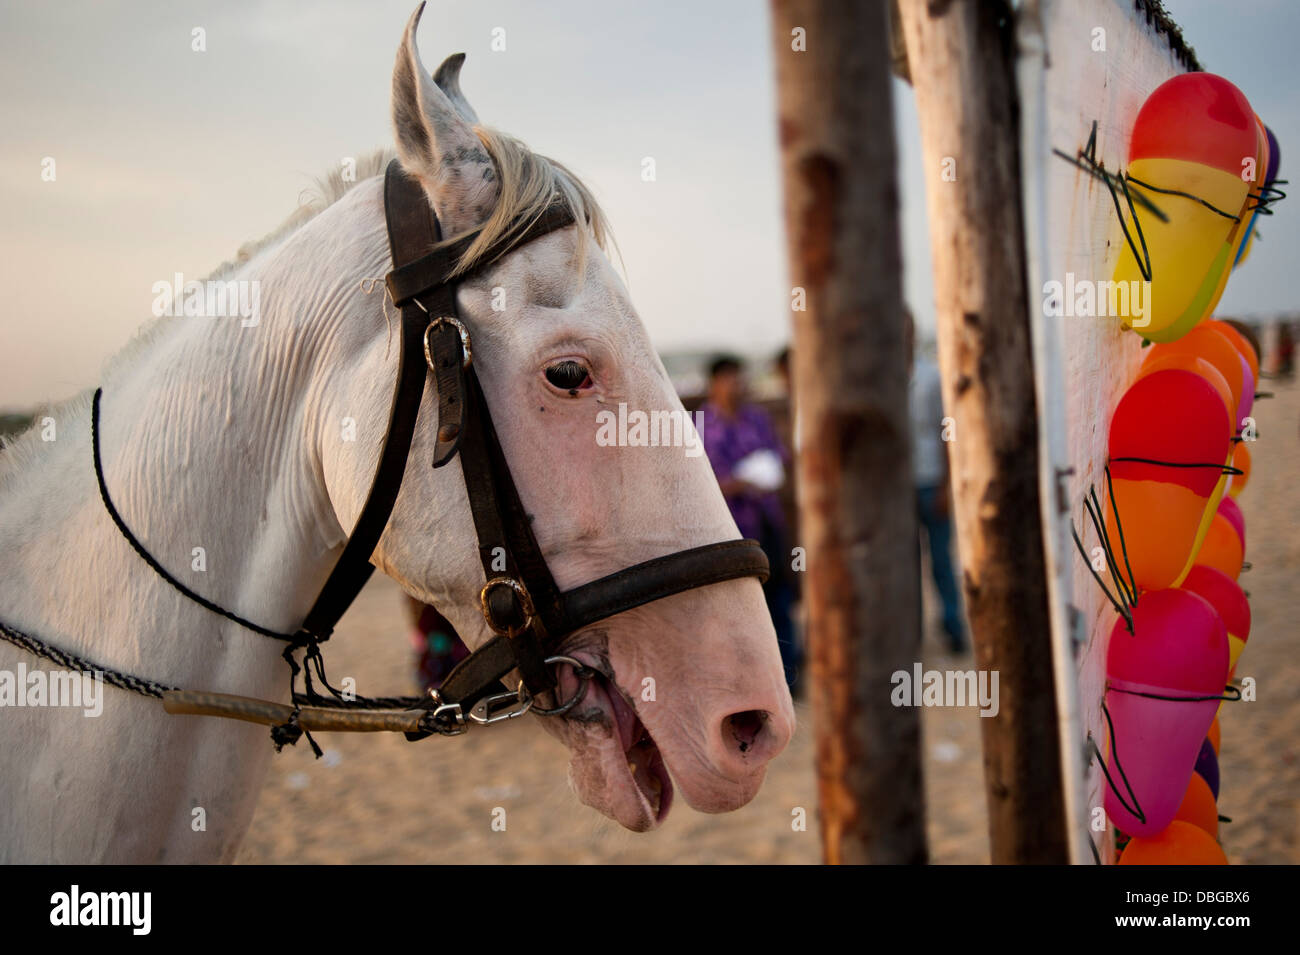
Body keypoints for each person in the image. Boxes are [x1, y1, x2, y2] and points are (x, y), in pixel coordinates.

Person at [698, 355, 800, 690]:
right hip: (730, 533)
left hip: (767, 523)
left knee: (779, 600)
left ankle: (788, 675)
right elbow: (703, 483)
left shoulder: (757, 419)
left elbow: (778, 458)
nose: (737, 387)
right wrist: (742, 482)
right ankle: (748, 682)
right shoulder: (703, 429)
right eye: (730, 380)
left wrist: (765, 476)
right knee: (738, 609)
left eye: (740, 380)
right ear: (715, 384)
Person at [906, 313, 967, 654]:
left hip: (931, 481)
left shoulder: (931, 376)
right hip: (899, 487)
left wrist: (947, 485)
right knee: (906, 563)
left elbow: (948, 435)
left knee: (941, 559)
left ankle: (952, 625)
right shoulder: (883, 380)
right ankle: (911, 631)